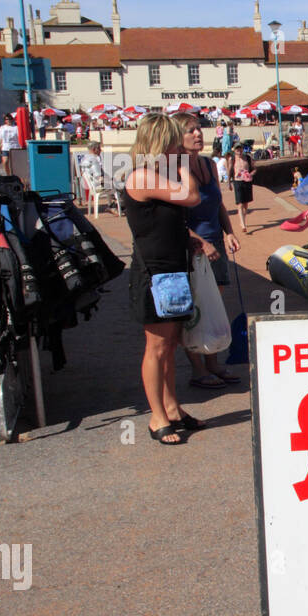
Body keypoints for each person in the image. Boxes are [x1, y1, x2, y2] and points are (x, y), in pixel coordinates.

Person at [122, 113, 203, 446]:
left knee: (169, 344)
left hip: (172, 268)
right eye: (174, 140)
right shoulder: (142, 176)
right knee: (156, 347)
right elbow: (192, 195)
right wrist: (184, 162)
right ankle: (157, 416)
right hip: (154, 273)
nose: (179, 145)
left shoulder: (156, 175)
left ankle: (171, 407)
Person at [174, 114, 242, 389]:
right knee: (195, 311)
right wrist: (201, 243)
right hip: (192, 247)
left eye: (199, 129)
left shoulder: (208, 164)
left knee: (215, 306)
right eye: (190, 131)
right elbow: (173, 218)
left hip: (215, 243)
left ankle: (213, 363)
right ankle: (198, 369)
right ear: (178, 137)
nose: (198, 134)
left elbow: (219, 205)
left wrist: (229, 232)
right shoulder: (174, 169)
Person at [231, 145, 254, 234]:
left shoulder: (247, 158)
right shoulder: (232, 159)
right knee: (239, 204)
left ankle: (243, 220)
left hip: (247, 181)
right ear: (234, 150)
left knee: (245, 204)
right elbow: (229, 171)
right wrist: (229, 183)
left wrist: (250, 174)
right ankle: (243, 224)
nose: (239, 151)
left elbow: (254, 169)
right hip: (237, 182)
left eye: (240, 149)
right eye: (237, 149)